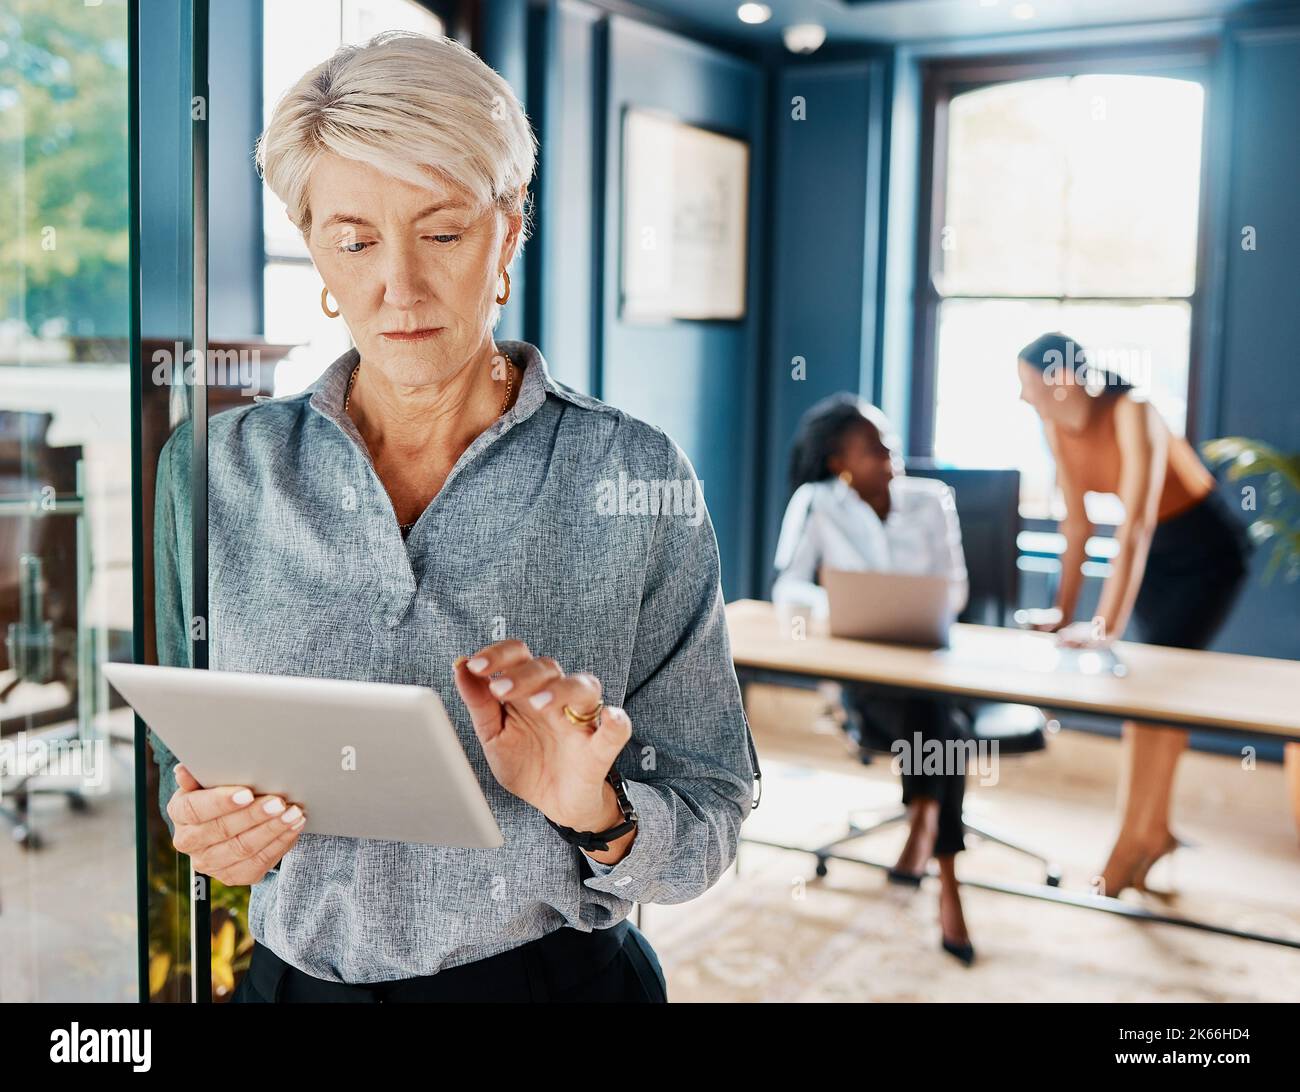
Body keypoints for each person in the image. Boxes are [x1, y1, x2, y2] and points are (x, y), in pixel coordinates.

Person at [150, 31, 756, 1003]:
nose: (399, 286)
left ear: (508, 232)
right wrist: (203, 827)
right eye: (353, 241)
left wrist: (597, 812)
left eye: (441, 232)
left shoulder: (631, 472)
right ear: (313, 246)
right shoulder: (216, 471)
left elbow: (712, 814)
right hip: (290, 987)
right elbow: (177, 763)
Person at [1016, 332, 1250, 899]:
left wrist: (1105, 627)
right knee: (1157, 702)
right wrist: (1063, 611)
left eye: (1028, 385)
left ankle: (1129, 845)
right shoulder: (1055, 429)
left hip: (1204, 554)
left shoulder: (1133, 411)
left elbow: (1137, 523)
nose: (1023, 398)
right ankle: (1156, 832)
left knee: (1149, 703)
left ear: (1061, 380)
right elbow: (1078, 527)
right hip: (1150, 564)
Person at [773, 393, 977, 965]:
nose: (891, 454)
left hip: (935, 663)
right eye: (874, 447)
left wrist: (910, 606)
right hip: (865, 677)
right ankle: (945, 868)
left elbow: (954, 590)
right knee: (946, 732)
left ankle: (926, 829)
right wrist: (837, 604)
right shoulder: (816, 504)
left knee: (933, 707)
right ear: (841, 460)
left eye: (889, 442)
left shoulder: (931, 501)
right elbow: (787, 587)